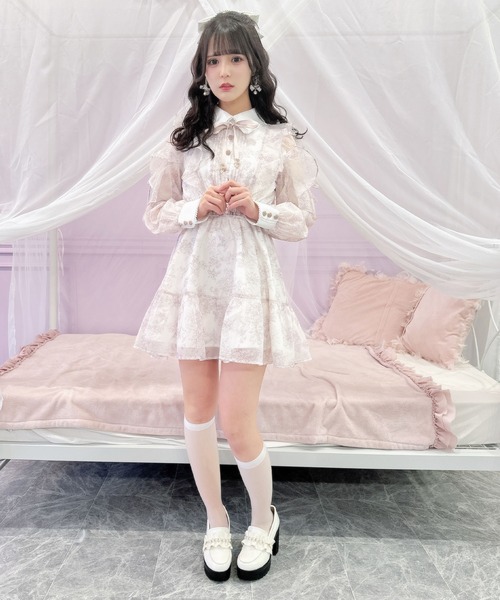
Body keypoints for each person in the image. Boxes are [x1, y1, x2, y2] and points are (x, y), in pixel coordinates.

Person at [134, 11, 316, 582]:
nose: (224, 70)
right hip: (195, 284)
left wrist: (257, 209)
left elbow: (301, 222)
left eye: (235, 58)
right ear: (202, 69)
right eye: (214, 60)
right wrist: (197, 207)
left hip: (248, 286)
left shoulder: (279, 140)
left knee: (237, 422)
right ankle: (216, 519)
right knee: (196, 412)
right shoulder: (185, 140)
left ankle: (264, 519)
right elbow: (156, 214)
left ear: (254, 66)